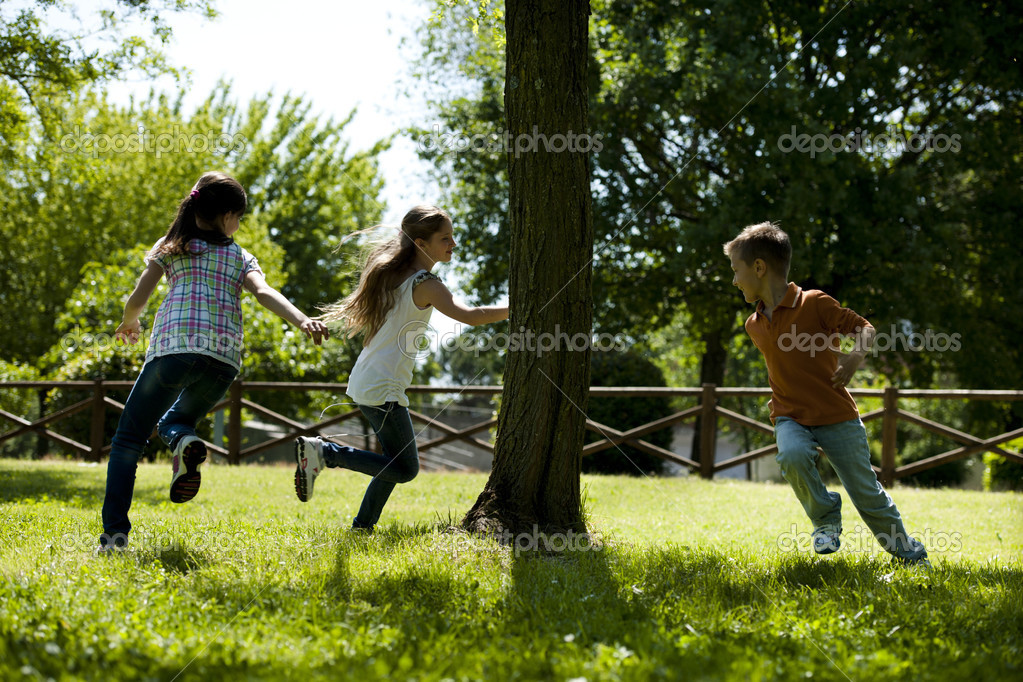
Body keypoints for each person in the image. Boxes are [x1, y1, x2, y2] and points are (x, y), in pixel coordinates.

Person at [100, 171, 328, 552]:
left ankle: (114, 536)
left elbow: (140, 295)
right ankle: (184, 441)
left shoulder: (172, 246)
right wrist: (301, 319)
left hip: (174, 351)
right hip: (222, 362)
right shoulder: (240, 256)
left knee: (127, 439)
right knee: (175, 421)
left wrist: (129, 321)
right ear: (226, 216)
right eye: (239, 216)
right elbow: (263, 292)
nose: (239, 224)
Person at [723, 221, 929, 566]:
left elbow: (865, 328)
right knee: (790, 456)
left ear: (759, 267)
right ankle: (826, 520)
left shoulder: (814, 303)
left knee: (867, 494)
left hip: (837, 416)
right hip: (789, 415)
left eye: (736, 271)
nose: (733, 280)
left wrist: (854, 356)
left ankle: (909, 554)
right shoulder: (754, 325)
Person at [294, 205, 508, 532]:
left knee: (391, 461)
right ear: (421, 243)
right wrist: (517, 305)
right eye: (445, 238)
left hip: (368, 380)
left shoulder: (395, 276)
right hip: (383, 386)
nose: (453, 244)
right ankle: (325, 452)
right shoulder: (424, 283)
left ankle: (362, 526)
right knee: (405, 469)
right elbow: (470, 315)